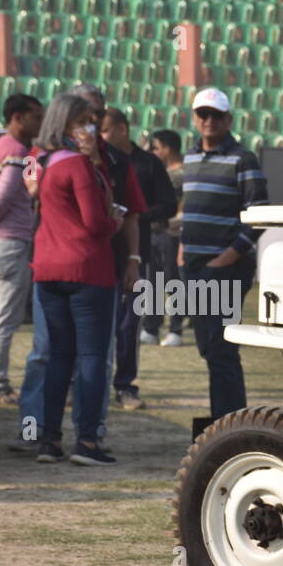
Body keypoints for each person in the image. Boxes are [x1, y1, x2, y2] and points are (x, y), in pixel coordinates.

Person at [29, 93, 123, 465]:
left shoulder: (41, 159)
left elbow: (29, 189)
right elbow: (96, 223)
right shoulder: (79, 166)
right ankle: (87, 442)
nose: (92, 126)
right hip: (86, 269)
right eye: (84, 119)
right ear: (67, 122)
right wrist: (114, 220)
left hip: (48, 268)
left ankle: (48, 440)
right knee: (91, 357)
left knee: (58, 358)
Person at [179, 87, 269, 421]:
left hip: (225, 269)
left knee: (220, 350)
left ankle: (227, 423)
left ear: (228, 119)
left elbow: (257, 215)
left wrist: (226, 259)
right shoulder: (189, 158)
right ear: (194, 118)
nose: (209, 120)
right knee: (208, 347)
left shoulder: (243, 158)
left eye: (216, 115)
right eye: (203, 114)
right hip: (195, 265)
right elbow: (189, 210)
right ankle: (225, 422)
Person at [69, 84, 147, 441]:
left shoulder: (118, 161)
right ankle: (41, 432)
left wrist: (132, 257)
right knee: (48, 355)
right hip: (56, 269)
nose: (92, 122)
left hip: (105, 268)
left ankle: (91, 432)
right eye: (84, 114)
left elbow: (127, 213)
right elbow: (30, 190)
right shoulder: (47, 155)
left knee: (99, 354)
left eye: (97, 115)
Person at [101, 107, 175, 410]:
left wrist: (136, 216)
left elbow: (168, 205)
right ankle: (85, 386)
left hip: (136, 255)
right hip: (98, 255)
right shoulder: (96, 161)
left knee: (129, 326)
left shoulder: (148, 164)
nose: (100, 136)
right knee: (95, 324)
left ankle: (125, 387)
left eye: (105, 129)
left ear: (122, 128)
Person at [0, 94, 42, 407]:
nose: (40, 122)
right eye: (35, 116)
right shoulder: (17, 151)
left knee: (0, 316)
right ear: (18, 118)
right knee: (6, 318)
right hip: (8, 241)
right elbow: (2, 198)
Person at [143, 128, 186, 346]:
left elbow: (185, 209)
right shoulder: (161, 172)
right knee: (152, 281)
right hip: (155, 233)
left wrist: (171, 223)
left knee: (173, 282)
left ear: (168, 149)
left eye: (156, 148)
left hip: (173, 235)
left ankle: (175, 329)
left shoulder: (183, 175)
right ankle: (150, 328)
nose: (153, 151)